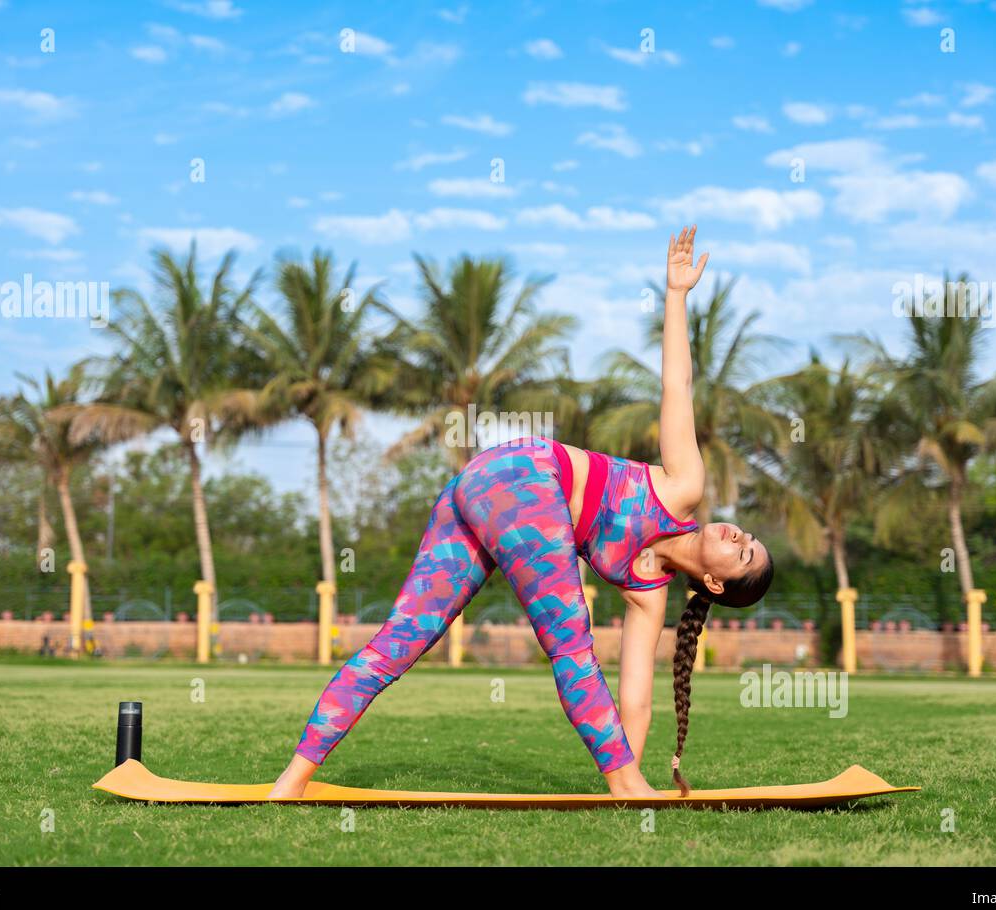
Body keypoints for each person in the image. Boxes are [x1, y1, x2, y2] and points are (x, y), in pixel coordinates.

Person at [268, 226, 773, 800]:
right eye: (747, 536)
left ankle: (291, 784)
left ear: (713, 581)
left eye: (743, 552)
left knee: (404, 638)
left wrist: (632, 768)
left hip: (479, 490)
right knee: (569, 638)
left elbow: (635, 698)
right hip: (520, 476)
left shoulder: (647, 594)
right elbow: (676, 386)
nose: (738, 534)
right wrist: (676, 297)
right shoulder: (684, 486)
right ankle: (624, 786)